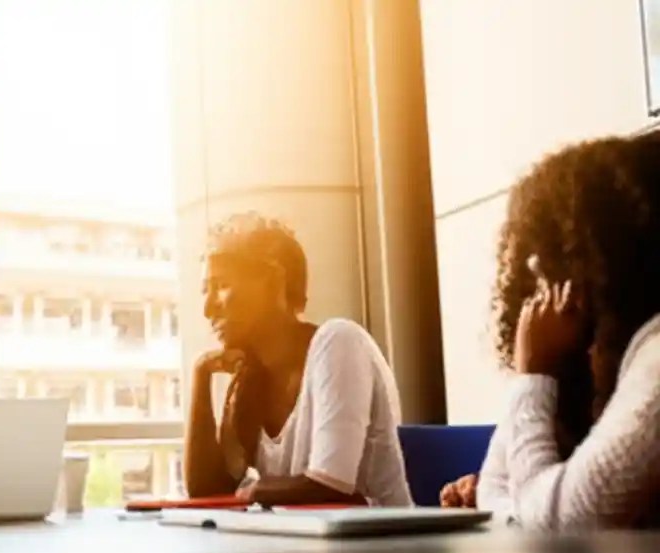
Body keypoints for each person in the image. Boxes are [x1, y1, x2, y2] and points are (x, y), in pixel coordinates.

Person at [440, 133, 660, 529]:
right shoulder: (581, 359)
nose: (539, 295)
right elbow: (493, 487)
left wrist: (534, 377)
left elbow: (561, 521)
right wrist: (524, 505)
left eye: (547, 266)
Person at [184, 212, 411, 507]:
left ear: (274, 281)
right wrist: (200, 377)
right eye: (205, 290)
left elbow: (332, 487)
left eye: (222, 285)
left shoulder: (339, 342)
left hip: (382, 548)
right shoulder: (250, 379)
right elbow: (206, 492)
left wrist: (255, 491)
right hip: (306, 549)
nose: (207, 308)